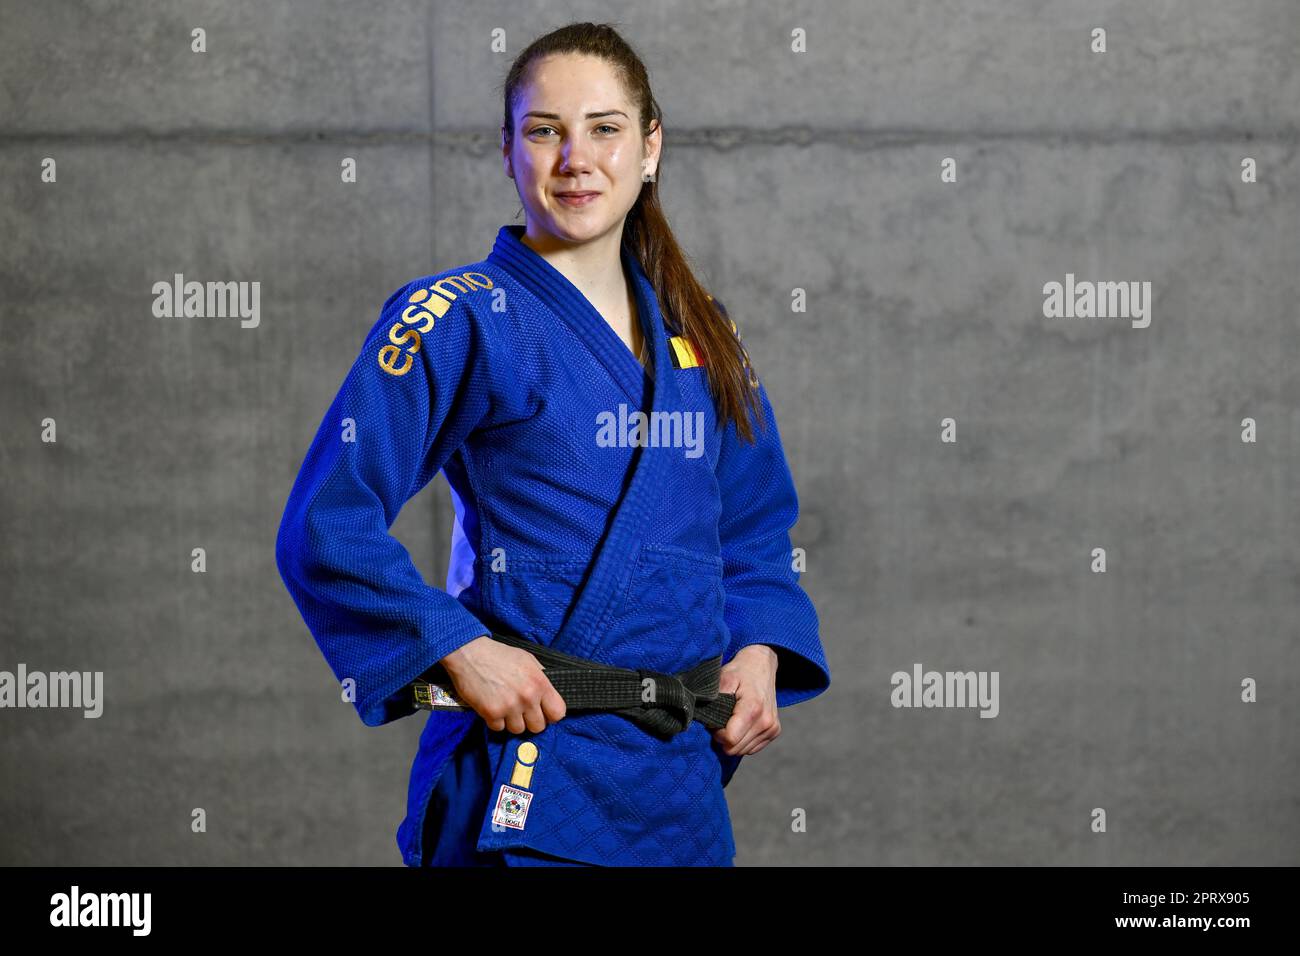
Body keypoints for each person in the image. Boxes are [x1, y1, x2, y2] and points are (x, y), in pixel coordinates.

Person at [274, 21, 830, 867]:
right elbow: (325, 521)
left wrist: (756, 649)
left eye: (605, 128)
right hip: (529, 769)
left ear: (650, 149)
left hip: (676, 785)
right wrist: (456, 647)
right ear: (507, 151)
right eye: (545, 131)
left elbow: (751, 530)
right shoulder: (459, 317)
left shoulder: (700, 335)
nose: (576, 158)